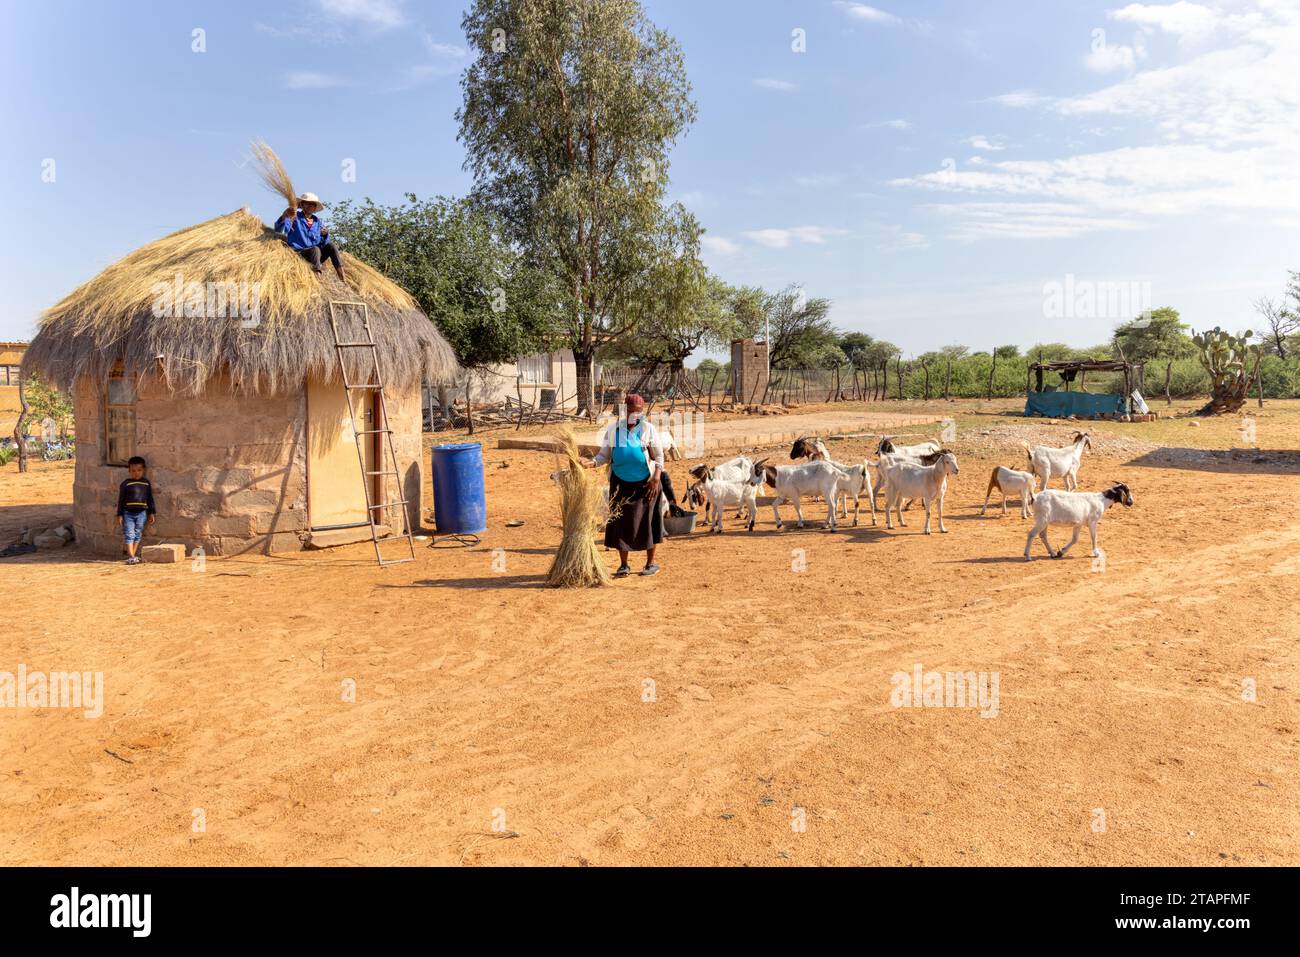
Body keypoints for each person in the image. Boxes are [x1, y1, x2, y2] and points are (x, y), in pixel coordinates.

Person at [583, 394, 666, 577]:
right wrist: (590, 463)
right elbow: (603, 456)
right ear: (624, 410)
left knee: (648, 522)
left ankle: (650, 564)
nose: (634, 415)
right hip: (620, 483)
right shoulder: (613, 430)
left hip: (646, 484)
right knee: (621, 523)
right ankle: (624, 565)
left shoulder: (648, 429)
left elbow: (659, 456)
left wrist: (656, 478)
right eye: (630, 411)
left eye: (638, 412)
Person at [273, 192, 346, 281]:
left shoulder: (318, 222)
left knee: (332, 246)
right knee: (315, 249)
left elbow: (324, 243)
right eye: (307, 203)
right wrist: (284, 215)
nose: (310, 206)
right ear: (302, 205)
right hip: (299, 253)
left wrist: (325, 234)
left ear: (315, 208)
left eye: (312, 204)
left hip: (316, 257)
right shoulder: (294, 216)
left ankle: (343, 280)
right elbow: (279, 230)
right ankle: (319, 280)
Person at [116, 455, 156, 565]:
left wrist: (151, 512)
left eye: (139, 470)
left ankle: (132, 556)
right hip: (128, 513)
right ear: (129, 470)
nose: (136, 473)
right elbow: (121, 500)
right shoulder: (126, 484)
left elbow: (150, 499)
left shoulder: (146, 483)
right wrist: (119, 514)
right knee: (129, 533)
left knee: (137, 533)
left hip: (142, 513)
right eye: (133, 470)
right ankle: (132, 556)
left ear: (143, 470)